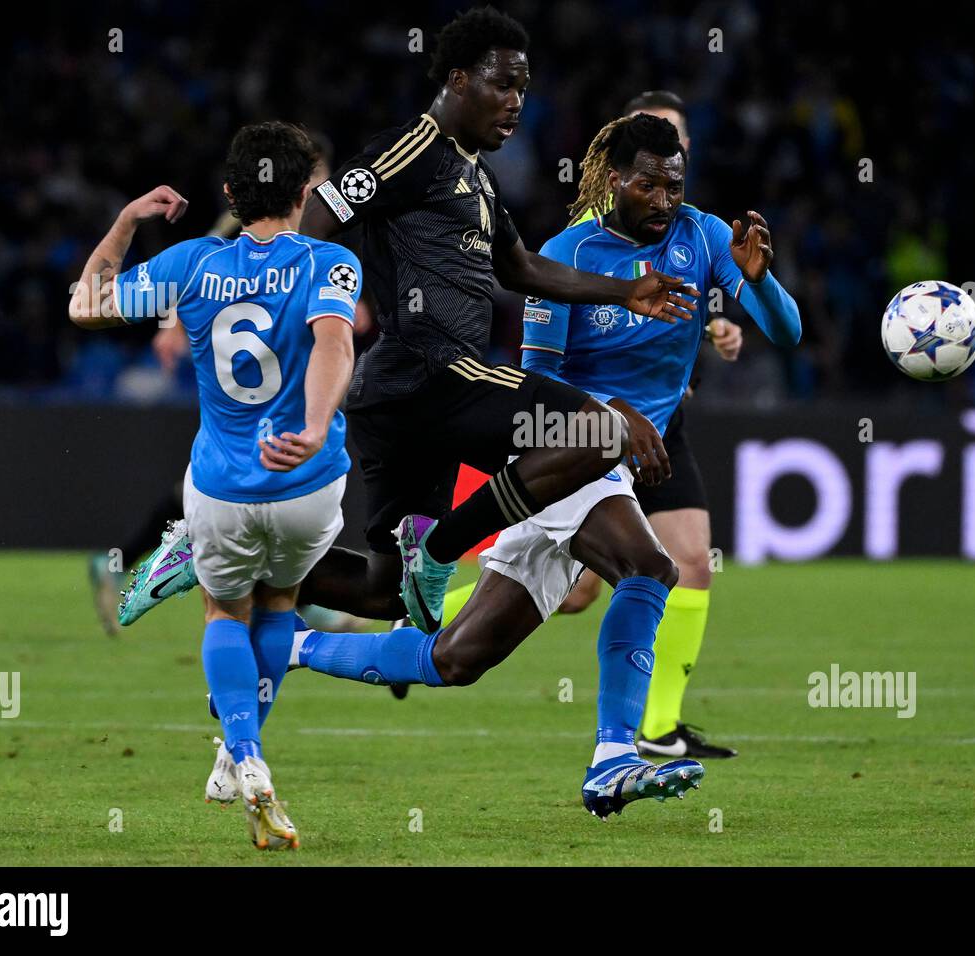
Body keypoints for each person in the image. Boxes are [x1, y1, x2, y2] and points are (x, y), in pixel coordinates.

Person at [117, 7, 698, 638]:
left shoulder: (475, 175)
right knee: (595, 432)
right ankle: (443, 546)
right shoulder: (414, 149)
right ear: (456, 81)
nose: (515, 103)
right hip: (433, 370)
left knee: (385, 590)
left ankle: (210, 555)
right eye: (501, 85)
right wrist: (317, 312)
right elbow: (321, 213)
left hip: (399, 395)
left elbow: (524, 269)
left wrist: (627, 289)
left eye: (523, 90)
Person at [283, 112, 801, 816]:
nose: (664, 199)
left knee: (457, 659)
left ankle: (291, 645)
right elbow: (536, 380)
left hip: (633, 445)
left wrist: (758, 282)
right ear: (614, 180)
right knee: (649, 569)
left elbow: (787, 332)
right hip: (575, 446)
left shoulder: (703, 236)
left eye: (674, 185)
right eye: (648, 185)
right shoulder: (570, 251)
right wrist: (607, 423)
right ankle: (615, 755)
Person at [68, 121, 362, 850]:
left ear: (230, 193)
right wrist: (318, 426)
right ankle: (237, 754)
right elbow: (336, 341)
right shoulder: (331, 261)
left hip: (223, 488)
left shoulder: (190, 264)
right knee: (280, 606)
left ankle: (246, 752)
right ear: (306, 192)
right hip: (307, 482)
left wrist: (127, 221)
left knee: (224, 613)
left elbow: (86, 303)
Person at [557, 90, 743, 759]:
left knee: (691, 561)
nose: (675, 147)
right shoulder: (585, 242)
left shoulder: (692, 227)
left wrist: (716, 324)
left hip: (664, 427)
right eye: (662, 136)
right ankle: (423, 616)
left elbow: (690, 296)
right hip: (591, 432)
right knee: (573, 592)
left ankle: (658, 727)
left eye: (682, 138)